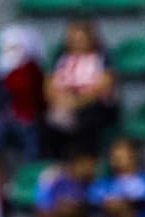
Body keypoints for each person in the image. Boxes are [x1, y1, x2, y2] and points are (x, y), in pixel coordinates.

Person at [42, 20, 119, 157]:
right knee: (45, 122)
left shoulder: (103, 57)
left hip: (93, 105)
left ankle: (85, 160)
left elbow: (104, 85)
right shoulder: (60, 57)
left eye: (80, 39)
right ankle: (55, 162)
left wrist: (76, 103)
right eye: (72, 39)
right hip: (63, 103)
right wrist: (60, 101)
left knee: (86, 118)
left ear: (91, 39)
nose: (76, 42)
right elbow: (48, 85)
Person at [0, 24, 46, 164]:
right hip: (2, 117)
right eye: (8, 48)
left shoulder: (32, 71)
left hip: (28, 118)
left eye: (16, 48)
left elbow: (35, 98)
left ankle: (31, 168)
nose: (12, 53)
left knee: (29, 132)